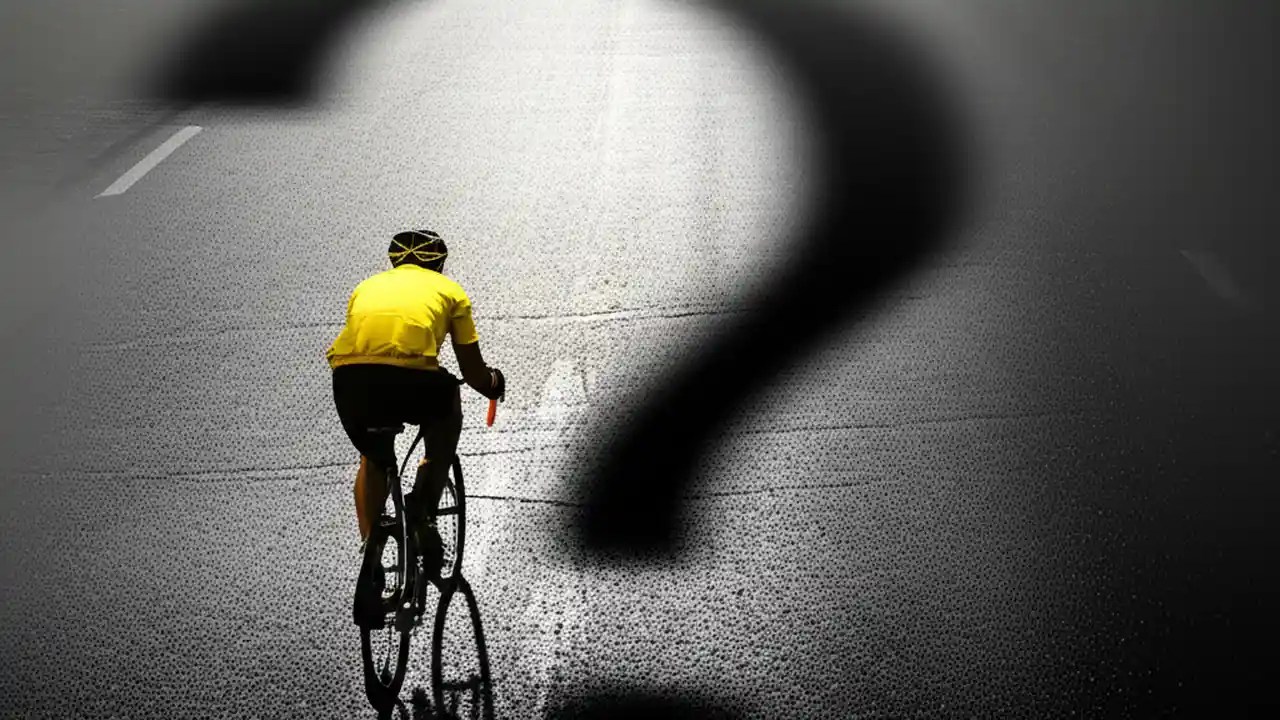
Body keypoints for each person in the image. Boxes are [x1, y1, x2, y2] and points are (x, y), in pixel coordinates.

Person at [326, 229, 504, 581]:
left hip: (349, 382)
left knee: (374, 458)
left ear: (394, 260)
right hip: (411, 381)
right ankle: (423, 510)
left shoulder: (366, 286)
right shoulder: (451, 292)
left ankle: (371, 553)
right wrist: (494, 384)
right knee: (447, 402)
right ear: (439, 263)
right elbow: (473, 373)